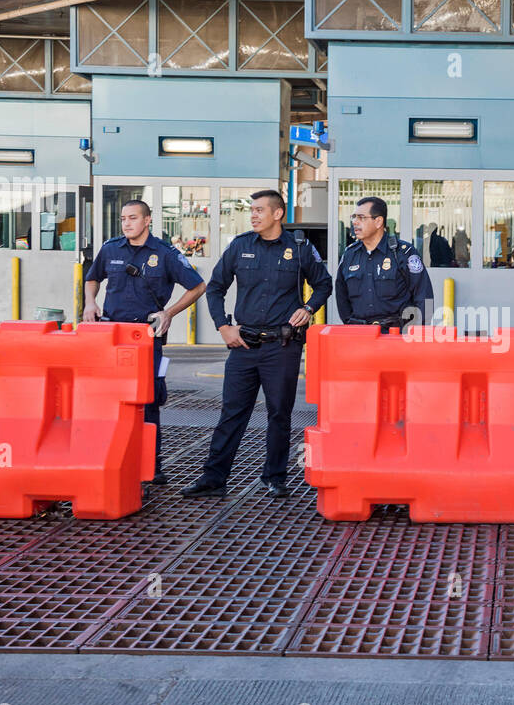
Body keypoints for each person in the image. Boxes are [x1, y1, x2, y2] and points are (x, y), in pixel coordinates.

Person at [182, 189, 332, 499]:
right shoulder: (239, 247)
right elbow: (215, 288)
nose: (253, 215)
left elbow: (324, 283)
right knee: (232, 412)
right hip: (244, 345)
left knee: (279, 414)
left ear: (277, 214)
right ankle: (214, 478)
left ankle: (275, 478)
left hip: (282, 347)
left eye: (260, 210)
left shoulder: (300, 249)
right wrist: (223, 326)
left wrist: (308, 308)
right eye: (251, 210)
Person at [84, 200, 205, 484]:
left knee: (148, 401)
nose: (127, 223)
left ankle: (151, 465)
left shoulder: (164, 254)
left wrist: (169, 312)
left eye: (133, 218)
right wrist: (90, 303)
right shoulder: (111, 248)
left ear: (147, 220)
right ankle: (111, 460)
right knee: (109, 401)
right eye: (123, 218)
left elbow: (198, 285)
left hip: (147, 338)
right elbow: (92, 279)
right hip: (111, 337)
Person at [336, 196, 434, 330]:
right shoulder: (349, 255)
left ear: (378, 222)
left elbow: (424, 295)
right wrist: (351, 325)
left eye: (361, 217)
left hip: (396, 336)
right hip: (360, 335)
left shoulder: (403, 253)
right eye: (354, 217)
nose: (355, 222)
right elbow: (342, 297)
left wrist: (419, 332)